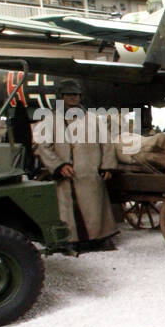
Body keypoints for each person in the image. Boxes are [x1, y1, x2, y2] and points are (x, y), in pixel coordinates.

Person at [35, 79, 119, 251]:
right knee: (68, 213)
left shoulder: (94, 119)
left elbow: (107, 144)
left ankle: (99, 239)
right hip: (68, 175)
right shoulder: (51, 120)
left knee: (95, 209)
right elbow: (43, 146)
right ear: (62, 97)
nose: (73, 98)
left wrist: (107, 166)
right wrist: (58, 166)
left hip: (90, 172)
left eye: (75, 95)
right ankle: (71, 241)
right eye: (68, 95)